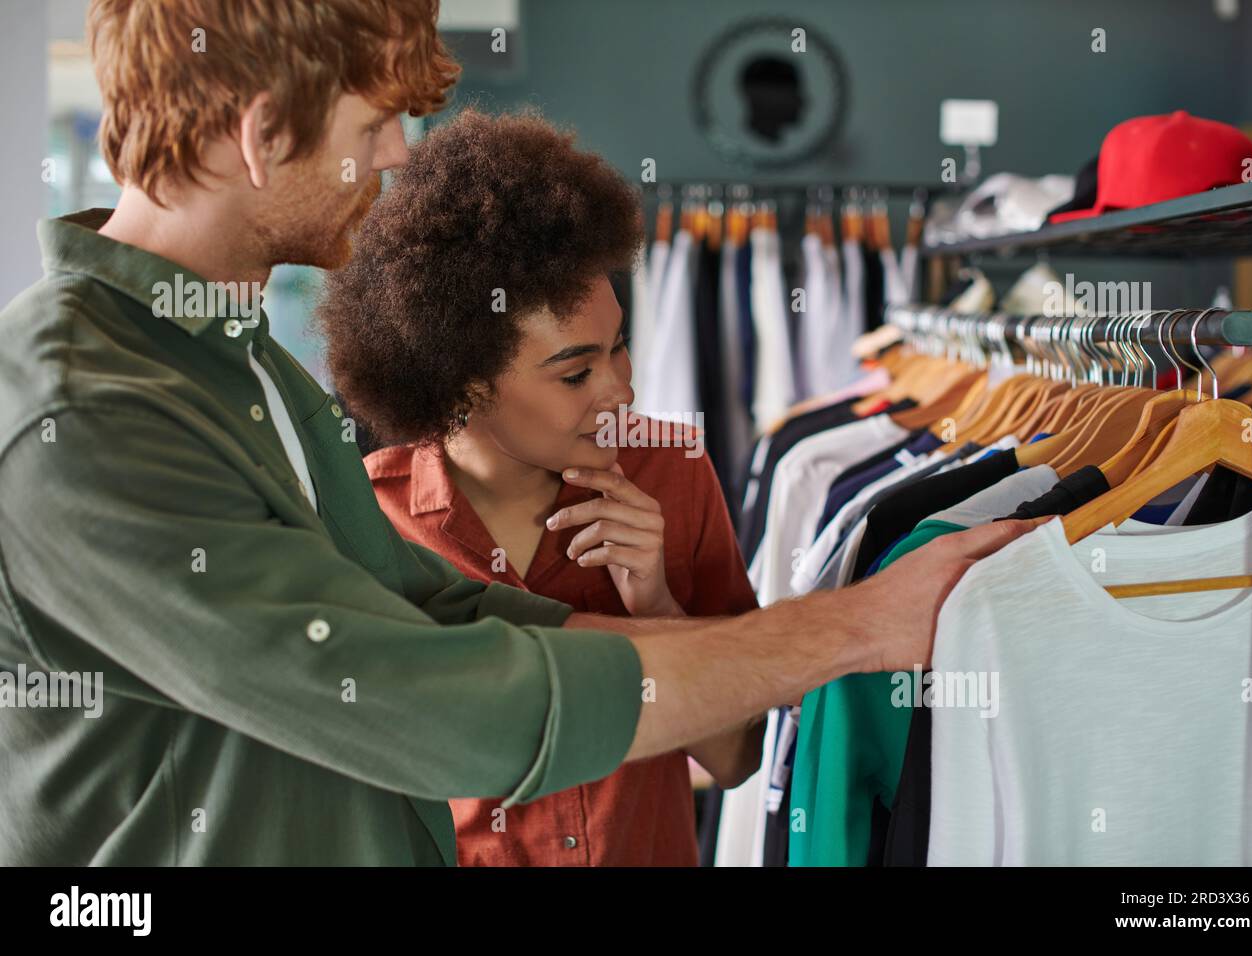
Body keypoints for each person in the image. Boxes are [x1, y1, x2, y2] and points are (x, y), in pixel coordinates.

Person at [0, 0, 1034, 866]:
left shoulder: (250, 366)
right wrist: (852, 628)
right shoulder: (89, 408)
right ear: (263, 134)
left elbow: (447, 618)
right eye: (369, 129)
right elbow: (435, 703)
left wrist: (833, 620)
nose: (397, 154)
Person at [316, 109, 765, 866]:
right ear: (464, 382)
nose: (620, 390)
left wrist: (655, 604)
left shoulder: (672, 473)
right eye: (575, 371)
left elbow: (738, 758)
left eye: (620, 347)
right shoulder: (366, 519)